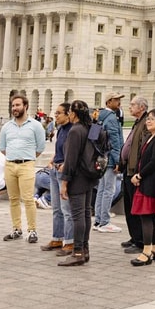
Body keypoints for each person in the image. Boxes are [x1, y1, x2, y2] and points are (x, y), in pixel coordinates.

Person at [0, 94, 46, 243]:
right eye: (13, 105)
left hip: (27, 165)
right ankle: (16, 228)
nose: (15, 108)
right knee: (13, 199)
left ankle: (32, 230)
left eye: (18, 105)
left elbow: (40, 147)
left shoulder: (36, 125)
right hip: (10, 164)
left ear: (25, 106)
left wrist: (28, 157)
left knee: (28, 199)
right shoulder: (7, 126)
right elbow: (3, 147)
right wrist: (14, 156)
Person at [57, 100, 96, 266]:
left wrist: (64, 182)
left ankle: (78, 251)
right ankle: (85, 249)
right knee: (86, 213)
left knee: (78, 215)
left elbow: (70, 160)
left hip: (78, 177)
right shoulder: (92, 128)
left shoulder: (75, 131)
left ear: (73, 113)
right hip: (90, 175)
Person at [128, 108, 155, 266]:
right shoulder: (150, 137)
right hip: (147, 182)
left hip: (152, 183)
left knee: (146, 216)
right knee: (150, 217)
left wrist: (139, 175)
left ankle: (146, 252)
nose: (148, 121)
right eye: (148, 118)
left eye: (152, 119)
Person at [118, 96, 151, 254]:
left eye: (132, 105)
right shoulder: (138, 122)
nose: (129, 107)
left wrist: (138, 171)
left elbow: (142, 149)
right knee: (129, 207)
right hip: (127, 169)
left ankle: (140, 241)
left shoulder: (145, 123)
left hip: (134, 172)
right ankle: (134, 237)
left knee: (135, 208)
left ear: (142, 108)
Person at [40, 103, 74, 254]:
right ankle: (57, 237)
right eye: (55, 112)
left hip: (64, 171)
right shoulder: (60, 129)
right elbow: (59, 149)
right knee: (56, 208)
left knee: (67, 209)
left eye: (59, 113)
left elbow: (73, 153)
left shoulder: (73, 130)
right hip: (55, 169)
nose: (56, 115)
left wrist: (65, 164)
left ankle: (70, 241)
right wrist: (52, 160)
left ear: (68, 114)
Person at [93, 93, 125, 233]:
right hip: (110, 159)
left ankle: (98, 220)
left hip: (100, 158)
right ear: (109, 101)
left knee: (101, 189)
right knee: (109, 190)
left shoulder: (98, 116)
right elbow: (115, 141)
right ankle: (104, 221)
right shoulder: (112, 118)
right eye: (116, 100)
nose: (119, 102)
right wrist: (119, 160)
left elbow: (93, 137)